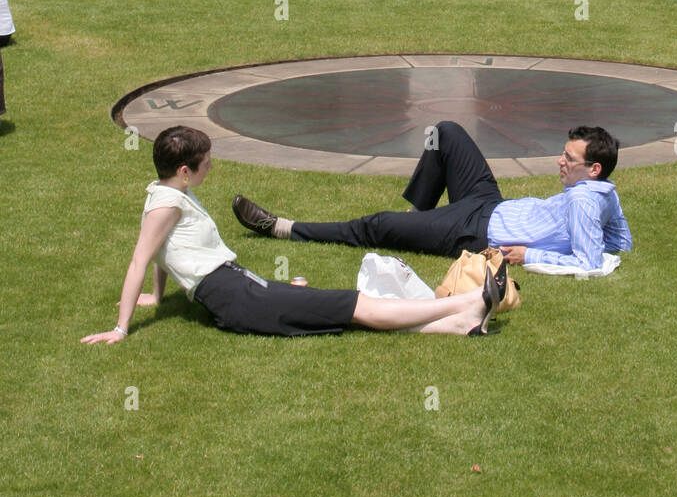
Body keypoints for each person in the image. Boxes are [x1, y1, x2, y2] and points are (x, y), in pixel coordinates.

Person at [81, 127, 506, 345]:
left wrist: (158, 297)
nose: (212, 166)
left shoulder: (168, 194)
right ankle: (471, 301)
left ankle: (459, 324)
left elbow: (160, 252)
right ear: (185, 170)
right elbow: (141, 258)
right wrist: (121, 329)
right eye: (206, 162)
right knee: (355, 305)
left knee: (345, 313)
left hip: (240, 286)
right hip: (235, 296)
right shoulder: (167, 204)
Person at [233, 119, 632, 273]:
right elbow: (620, 244)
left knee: (378, 225)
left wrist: (531, 255)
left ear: (593, 169)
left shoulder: (584, 199)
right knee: (445, 133)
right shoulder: (602, 192)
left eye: (569, 157)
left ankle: (282, 228)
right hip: (491, 205)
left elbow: (589, 262)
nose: (559, 161)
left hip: (478, 233)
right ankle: (416, 221)